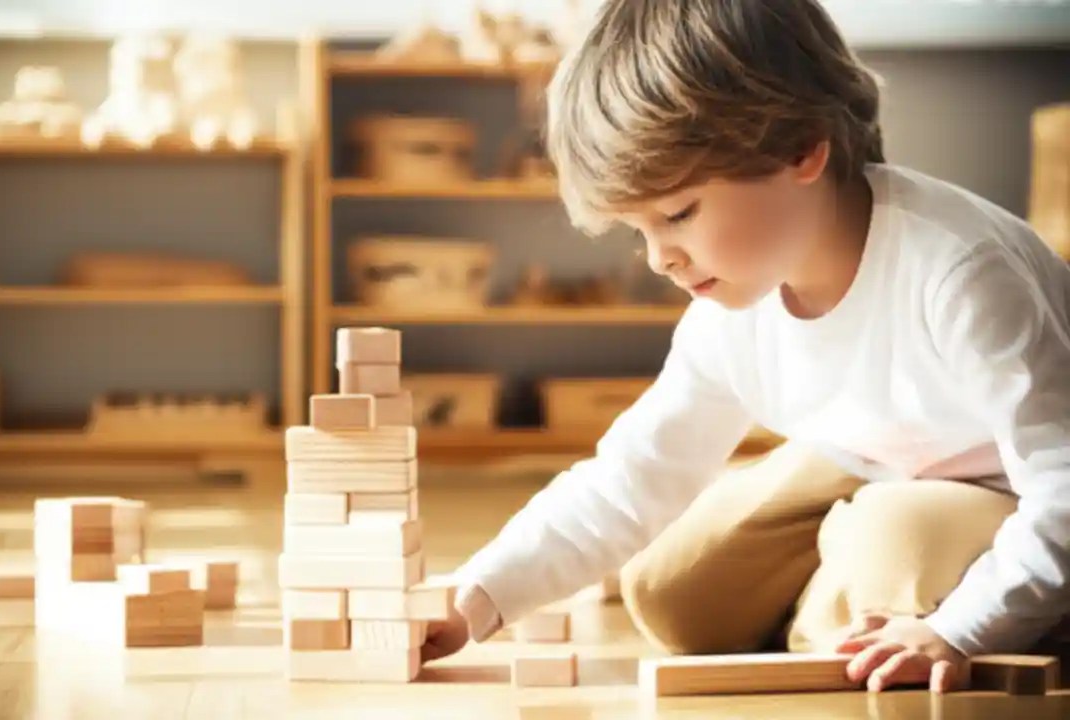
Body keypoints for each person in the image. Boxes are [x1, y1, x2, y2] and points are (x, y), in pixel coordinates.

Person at [420, 0, 1070, 694]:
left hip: (1009, 483)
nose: (658, 259)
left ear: (801, 149)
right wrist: (475, 597)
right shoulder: (731, 309)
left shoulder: (958, 272)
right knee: (668, 590)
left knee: (890, 545)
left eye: (677, 215)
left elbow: (1062, 487)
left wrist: (957, 632)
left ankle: (916, 597)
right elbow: (628, 479)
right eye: (636, 230)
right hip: (875, 460)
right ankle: (850, 580)